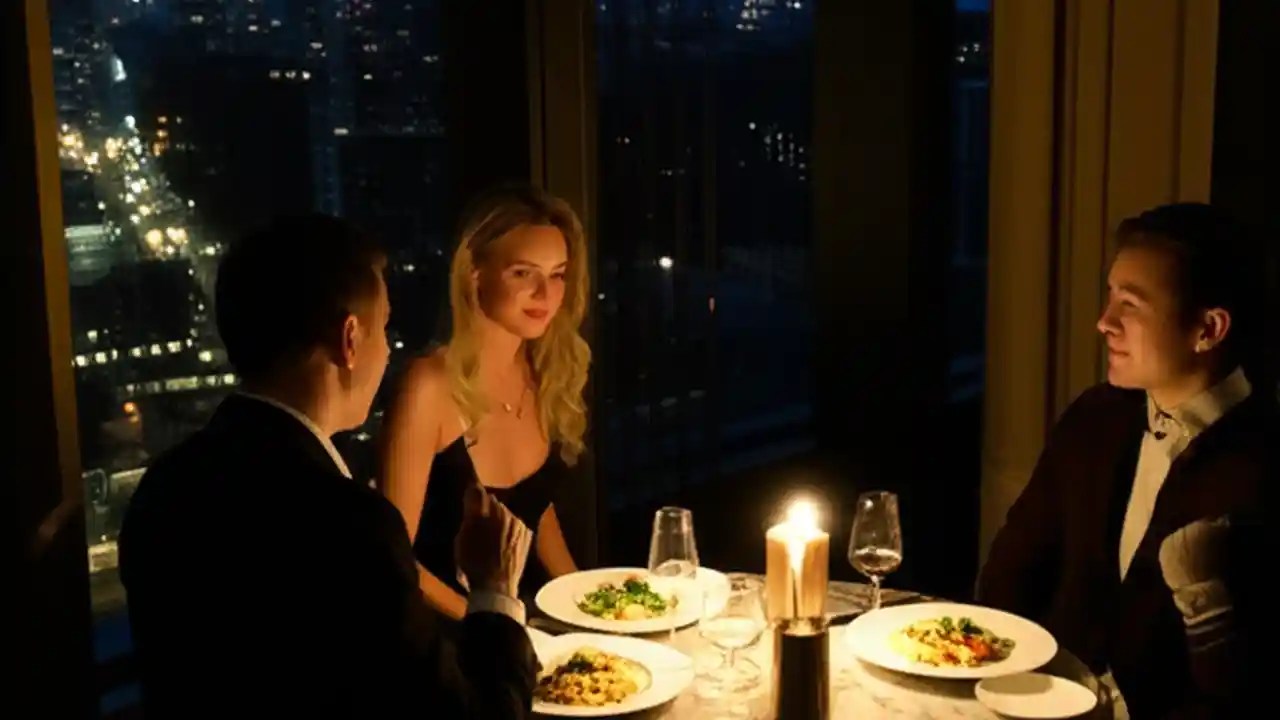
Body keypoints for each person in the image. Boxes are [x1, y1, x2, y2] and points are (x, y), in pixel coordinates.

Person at [119, 215, 537, 718]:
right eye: (384, 327)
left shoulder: (166, 484)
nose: (387, 351)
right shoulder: (349, 523)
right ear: (350, 338)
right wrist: (494, 590)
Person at [977, 203, 1274, 719]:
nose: (1104, 322)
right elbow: (1011, 572)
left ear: (1208, 329)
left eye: (1130, 305)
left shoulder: (1263, 465)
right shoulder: (1095, 419)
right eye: (1111, 295)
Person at [381, 185, 590, 619]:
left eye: (557, 274)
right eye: (523, 273)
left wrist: (586, 605)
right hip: (447, 642)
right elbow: (392, 558)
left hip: (524, 630)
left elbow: (535, 507)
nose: (546, 293)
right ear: (475, 272)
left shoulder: (543, 372)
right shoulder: (428, 387)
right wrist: (496, 626)